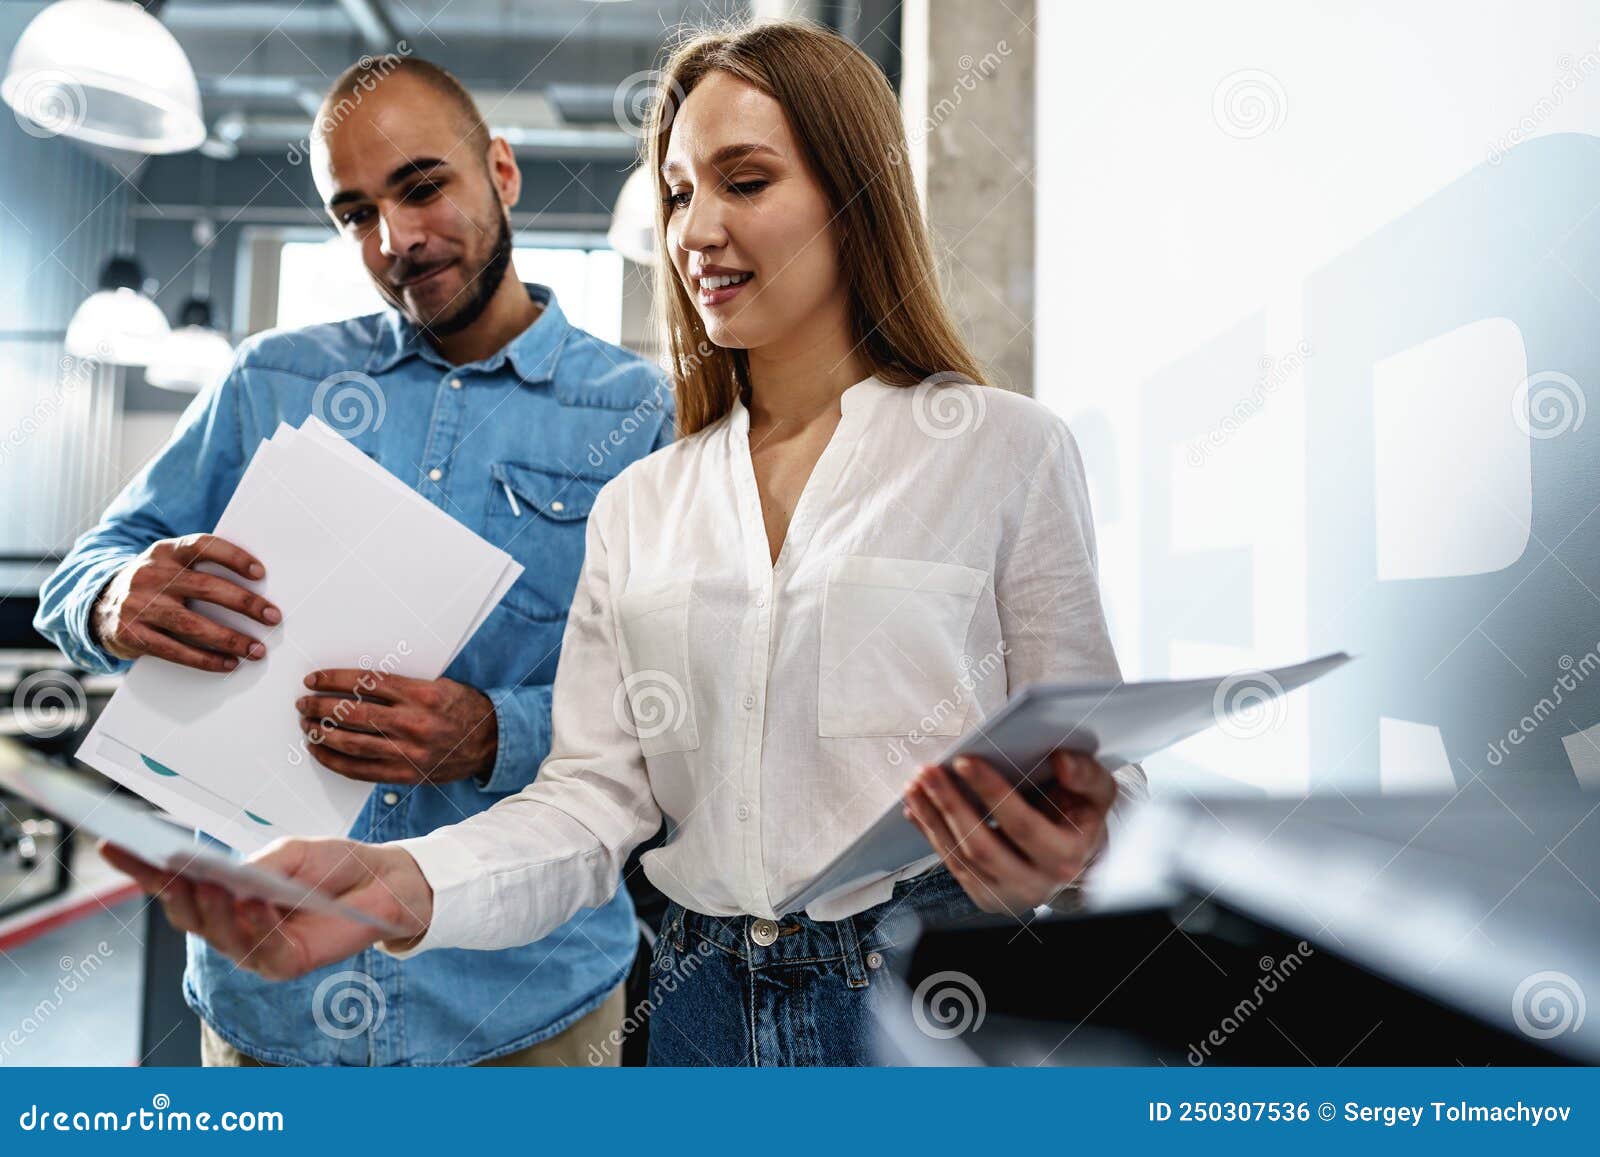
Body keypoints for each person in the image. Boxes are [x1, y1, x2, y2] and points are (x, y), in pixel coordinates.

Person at [105, 20, 1147, 1066]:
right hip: (698, 1010)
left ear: (855, 191)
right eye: (681, 191)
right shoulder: (646, 495)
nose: (694, 230)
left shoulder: (1003, 449)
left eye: (744, 181)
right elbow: (590, 804)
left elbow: (1101, 768)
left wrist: (1074, 849)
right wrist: (394, 884)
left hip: (922, 990)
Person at [39, 56, 671, 1066]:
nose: (397, 241)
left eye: (423, 188)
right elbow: (83, 570)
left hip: (520, 1017)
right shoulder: (271, 381)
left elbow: (675, 709)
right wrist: (113, 596)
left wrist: (492, 733)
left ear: (501, 172)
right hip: (270, 1012)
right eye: (354, 213)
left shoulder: (643, 417)